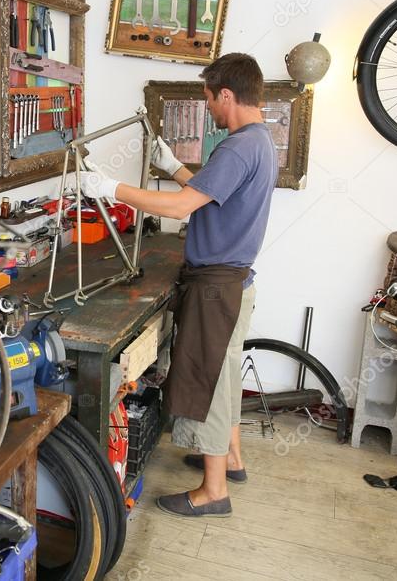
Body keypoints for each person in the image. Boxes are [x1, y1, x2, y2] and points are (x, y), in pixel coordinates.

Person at [81, 52, 277, 518]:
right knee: (223, 377)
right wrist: (172, 167)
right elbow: (209, 193)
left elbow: (180, 207)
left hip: (216, 288)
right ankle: (231, 459)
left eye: (209, 98)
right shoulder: (259, 141)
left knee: (208, 384)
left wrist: (110, 189)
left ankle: (213, 492)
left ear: (226, 94)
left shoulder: (237, 147)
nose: (208, 107)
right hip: (235, 284)